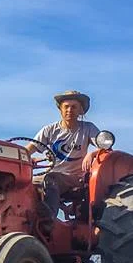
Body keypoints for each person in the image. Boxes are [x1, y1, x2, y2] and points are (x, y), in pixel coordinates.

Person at [27, 90, 100, 223]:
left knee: (51, 178)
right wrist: (24, 157)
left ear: (81, 111)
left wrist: (92, 154)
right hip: (50, 175)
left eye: (74, 107)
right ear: (60, 109)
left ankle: (48, 220)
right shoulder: (50, 130)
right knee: (23, 183)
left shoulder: (88, 129)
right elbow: (28, 150)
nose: (69, 110)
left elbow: (104, 146)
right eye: (66, 106)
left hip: (73, 177)